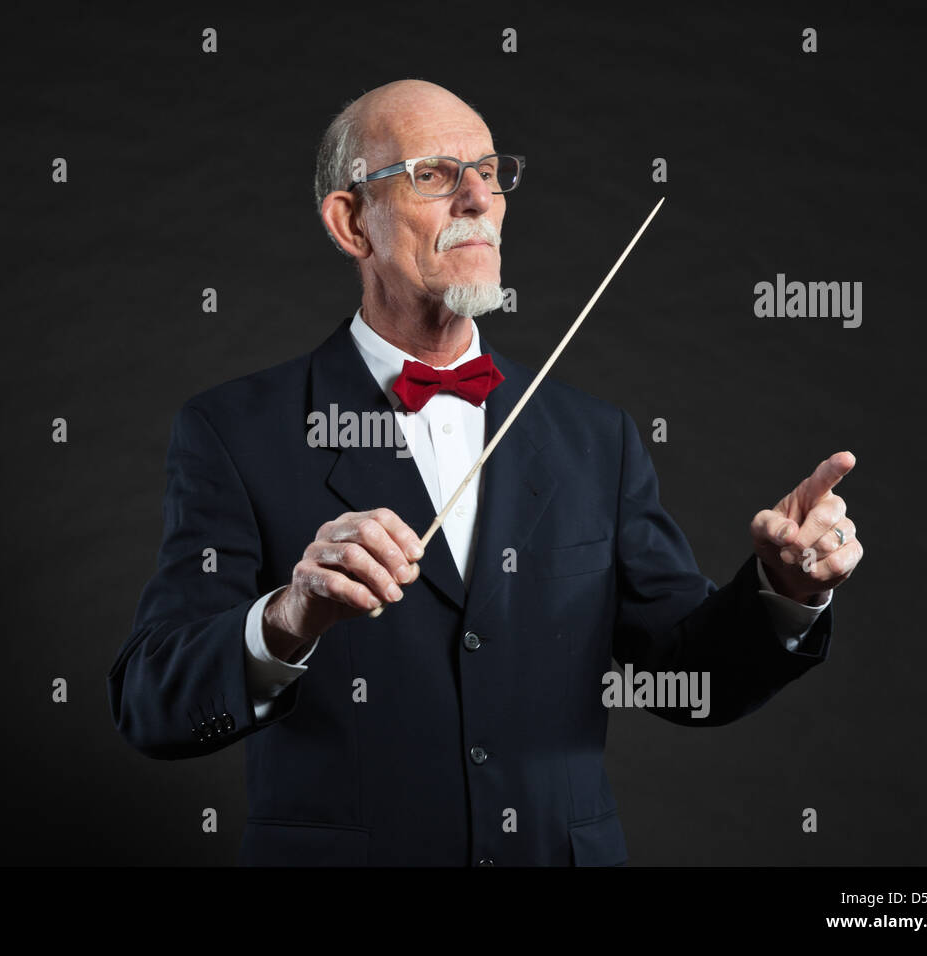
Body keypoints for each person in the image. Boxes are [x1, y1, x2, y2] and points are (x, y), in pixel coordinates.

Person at [107, 79, 864, 866]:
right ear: (351, 222)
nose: (477, 197)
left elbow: (688, 675)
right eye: (433, 174)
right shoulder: (235, 431)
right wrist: (289, 617)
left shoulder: (594, 437)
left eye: (491, 172)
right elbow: (151, 705)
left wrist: (786, 590)